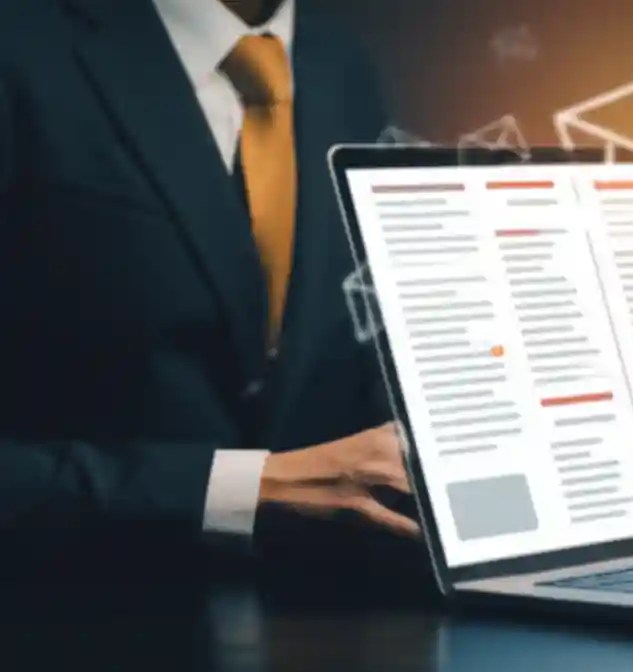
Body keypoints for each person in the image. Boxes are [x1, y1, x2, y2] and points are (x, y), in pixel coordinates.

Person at [0, 0, 421, 573]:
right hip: (69, 615)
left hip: (329, 625)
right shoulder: (23, 45)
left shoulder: (341, 61)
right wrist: (240, 489)